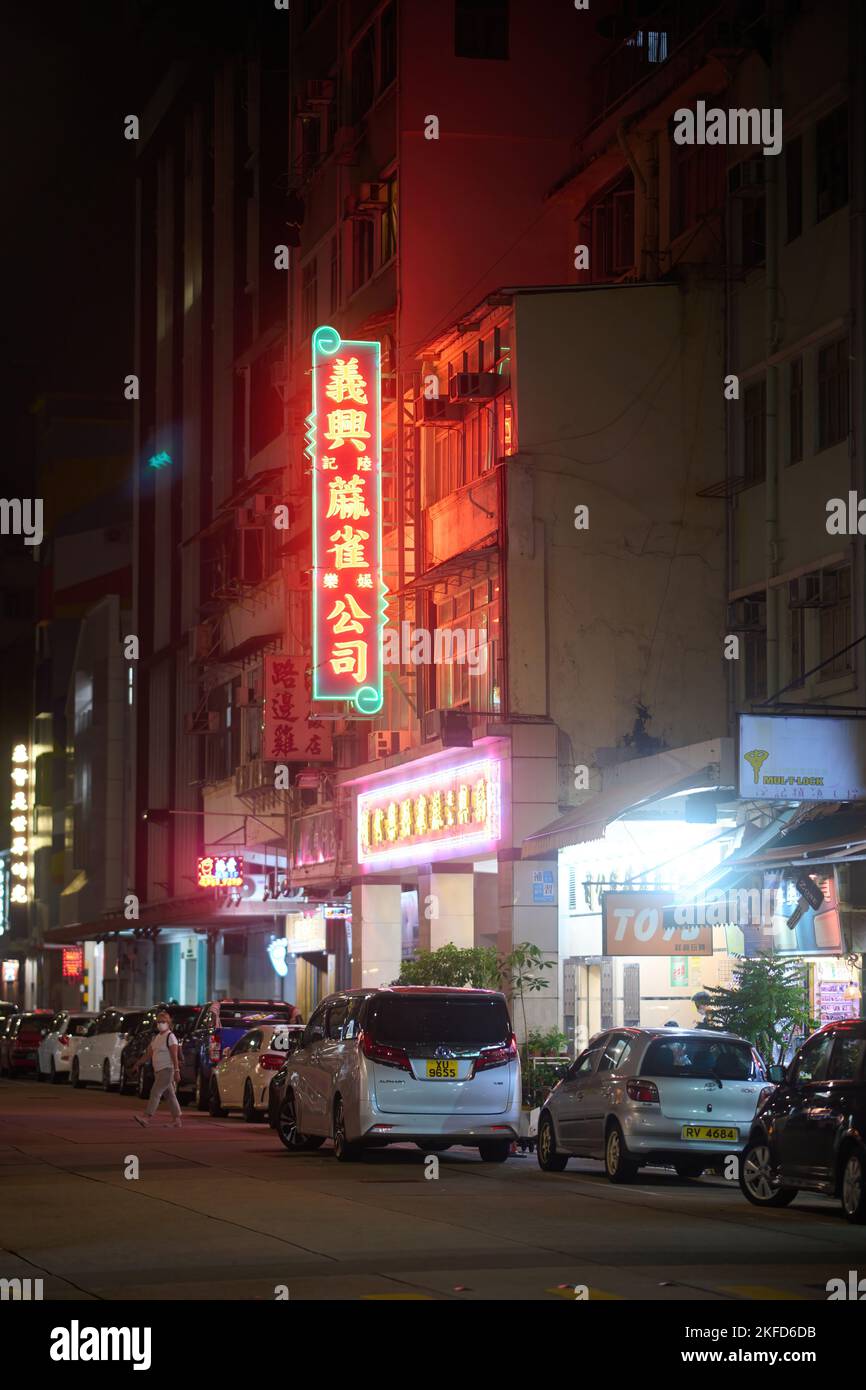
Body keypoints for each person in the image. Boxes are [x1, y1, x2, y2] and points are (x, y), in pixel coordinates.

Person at [131, 1010, 183, 1128]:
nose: (160, 1024)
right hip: (158, 1070)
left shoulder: (171, 1037)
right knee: (169, 1095)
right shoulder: (157, 1037)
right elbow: (148, 1053)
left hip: (167, 1069)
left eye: (163, 1022)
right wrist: (138, 1064)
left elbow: (174, 1056)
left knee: (155, 1092)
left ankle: (146, 1117)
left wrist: (176, 1071)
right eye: (158, 1022)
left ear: (168, 1023)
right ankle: (177, 1120)